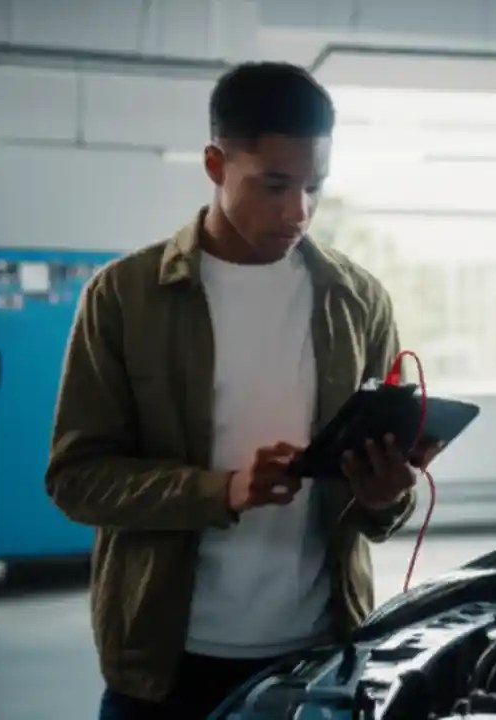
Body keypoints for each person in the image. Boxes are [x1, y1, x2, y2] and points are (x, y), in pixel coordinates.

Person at [45, 62, 439, 720]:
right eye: (275, 185)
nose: (299, 212)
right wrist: (221, 491)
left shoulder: (358, 299)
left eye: (315, 186)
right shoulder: (123, 296)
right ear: (214, 164)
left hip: (322, 656)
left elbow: (381, 503)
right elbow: (77, 480)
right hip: (164, 666)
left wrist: (383, 497)